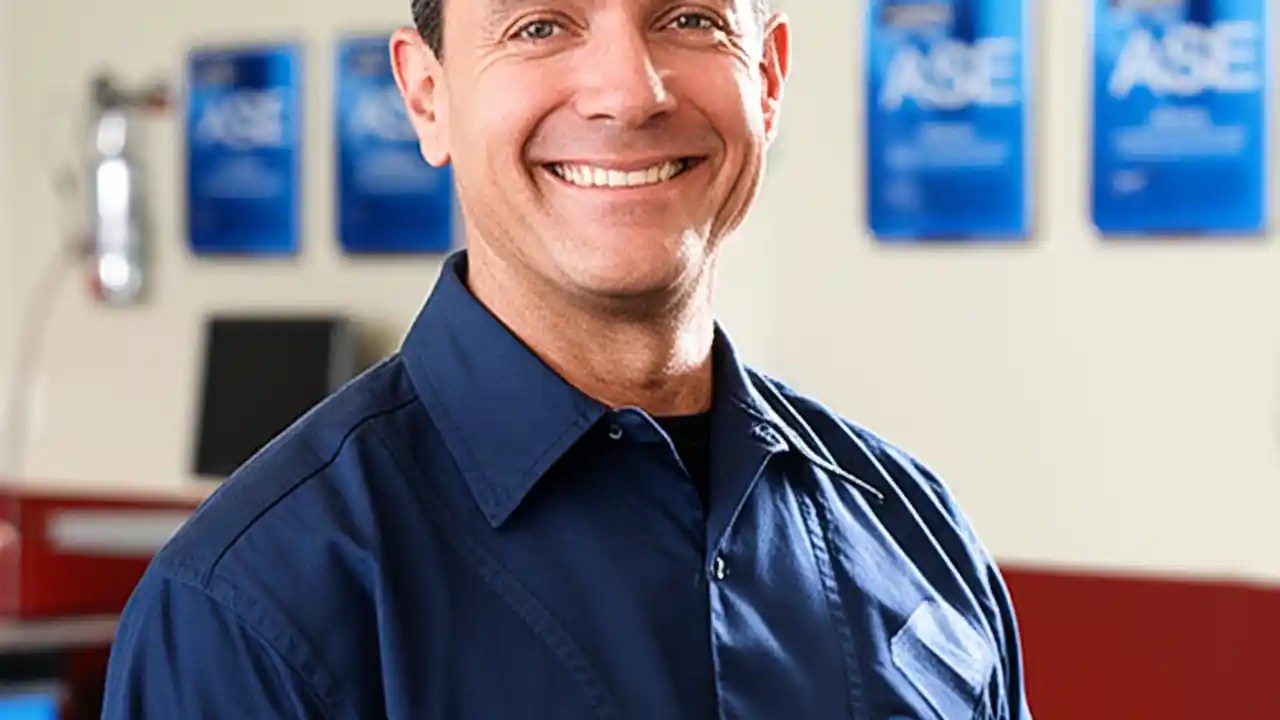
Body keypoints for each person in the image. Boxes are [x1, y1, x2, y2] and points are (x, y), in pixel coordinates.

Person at [102, 0, 1032, 717]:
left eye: (690, 18)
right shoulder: (248, 609)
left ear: (770, 77)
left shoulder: (912, 532)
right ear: (427, 96)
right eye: (541, 24)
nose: (629, 93)